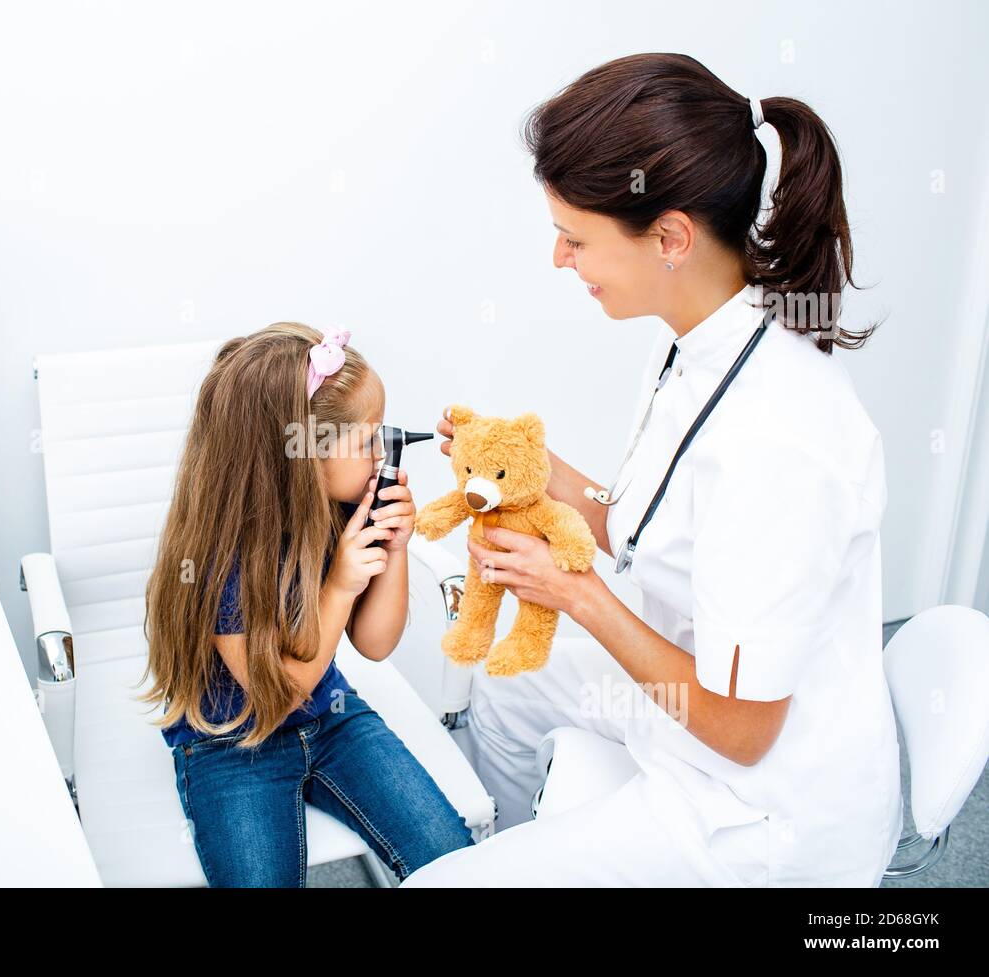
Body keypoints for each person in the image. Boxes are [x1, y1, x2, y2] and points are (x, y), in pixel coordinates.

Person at [401, 53, 900, 887]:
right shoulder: (698, 343)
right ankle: (505, 851)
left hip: (755, 807)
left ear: (670, 237)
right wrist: (544, 473)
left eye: (576, 237)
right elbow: (656, 525)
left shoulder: (777, 441)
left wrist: (576, 593)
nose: (560, 259)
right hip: (689, 694)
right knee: (513, 685)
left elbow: (742, 729)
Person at [141, 322, 474, 887]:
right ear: (300, 456)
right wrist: (341, 583)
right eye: (367, 439)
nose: (383, 449)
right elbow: (280, 690)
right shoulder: (220, 559)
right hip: (232, 743)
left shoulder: (337, 506)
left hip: (331, 715)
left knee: (457, 863)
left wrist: (392, 547)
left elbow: (374, 644)